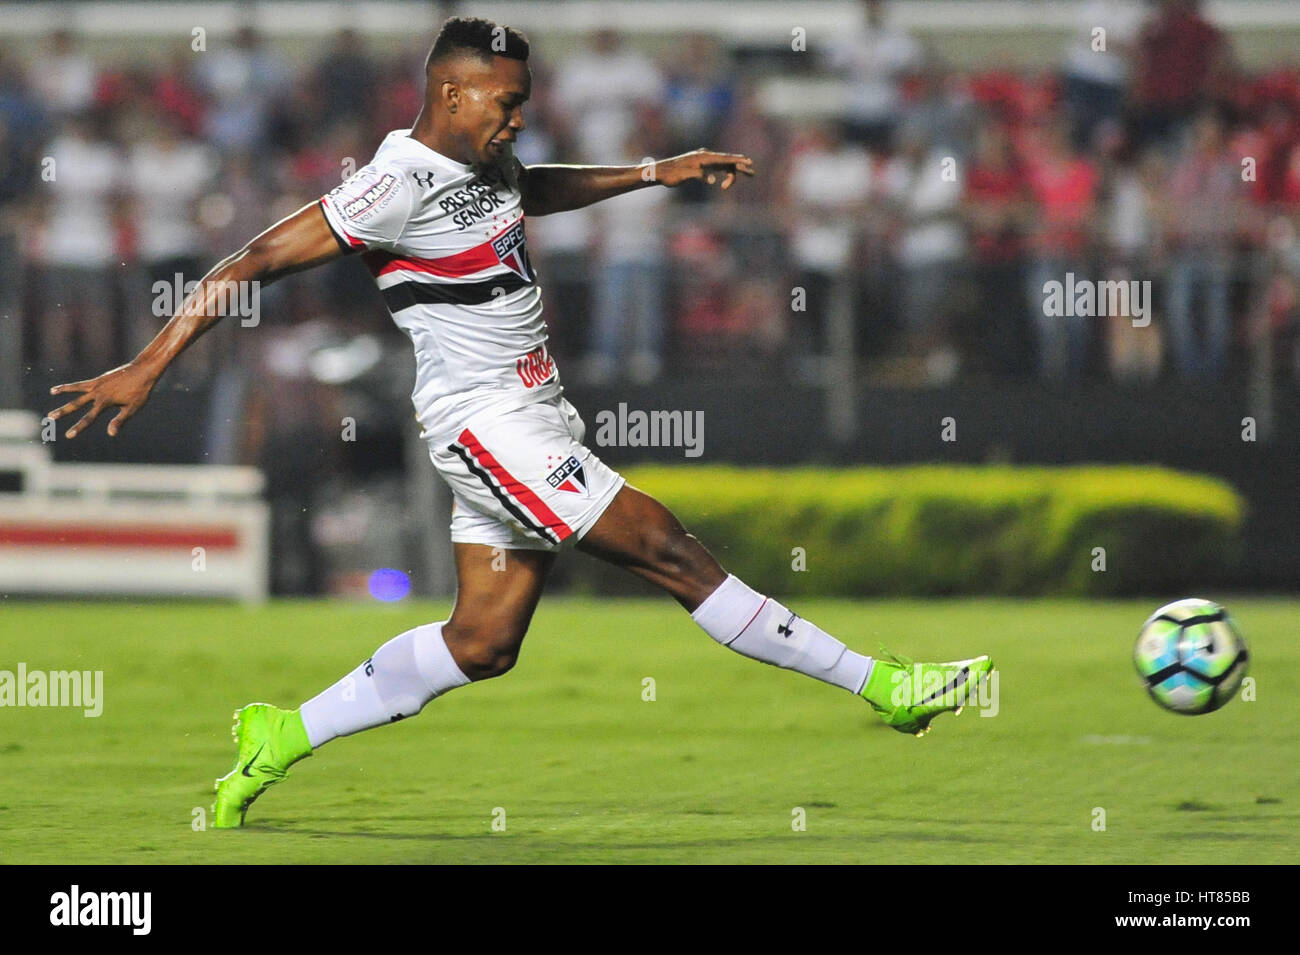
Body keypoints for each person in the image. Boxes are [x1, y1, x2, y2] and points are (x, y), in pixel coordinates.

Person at [47, 17, 993, 829]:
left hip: (533, 415)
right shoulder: (394, 182)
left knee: (484, 642)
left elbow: (528, 187)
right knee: (666, 545)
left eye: (522, 99)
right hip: (487, 426)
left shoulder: (486, 158)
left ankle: (280, 734)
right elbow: (250, 260)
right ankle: (886, 685)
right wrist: (147, 363)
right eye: (504, 100)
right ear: (451, 95)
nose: (518, 115)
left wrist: (654, 171)